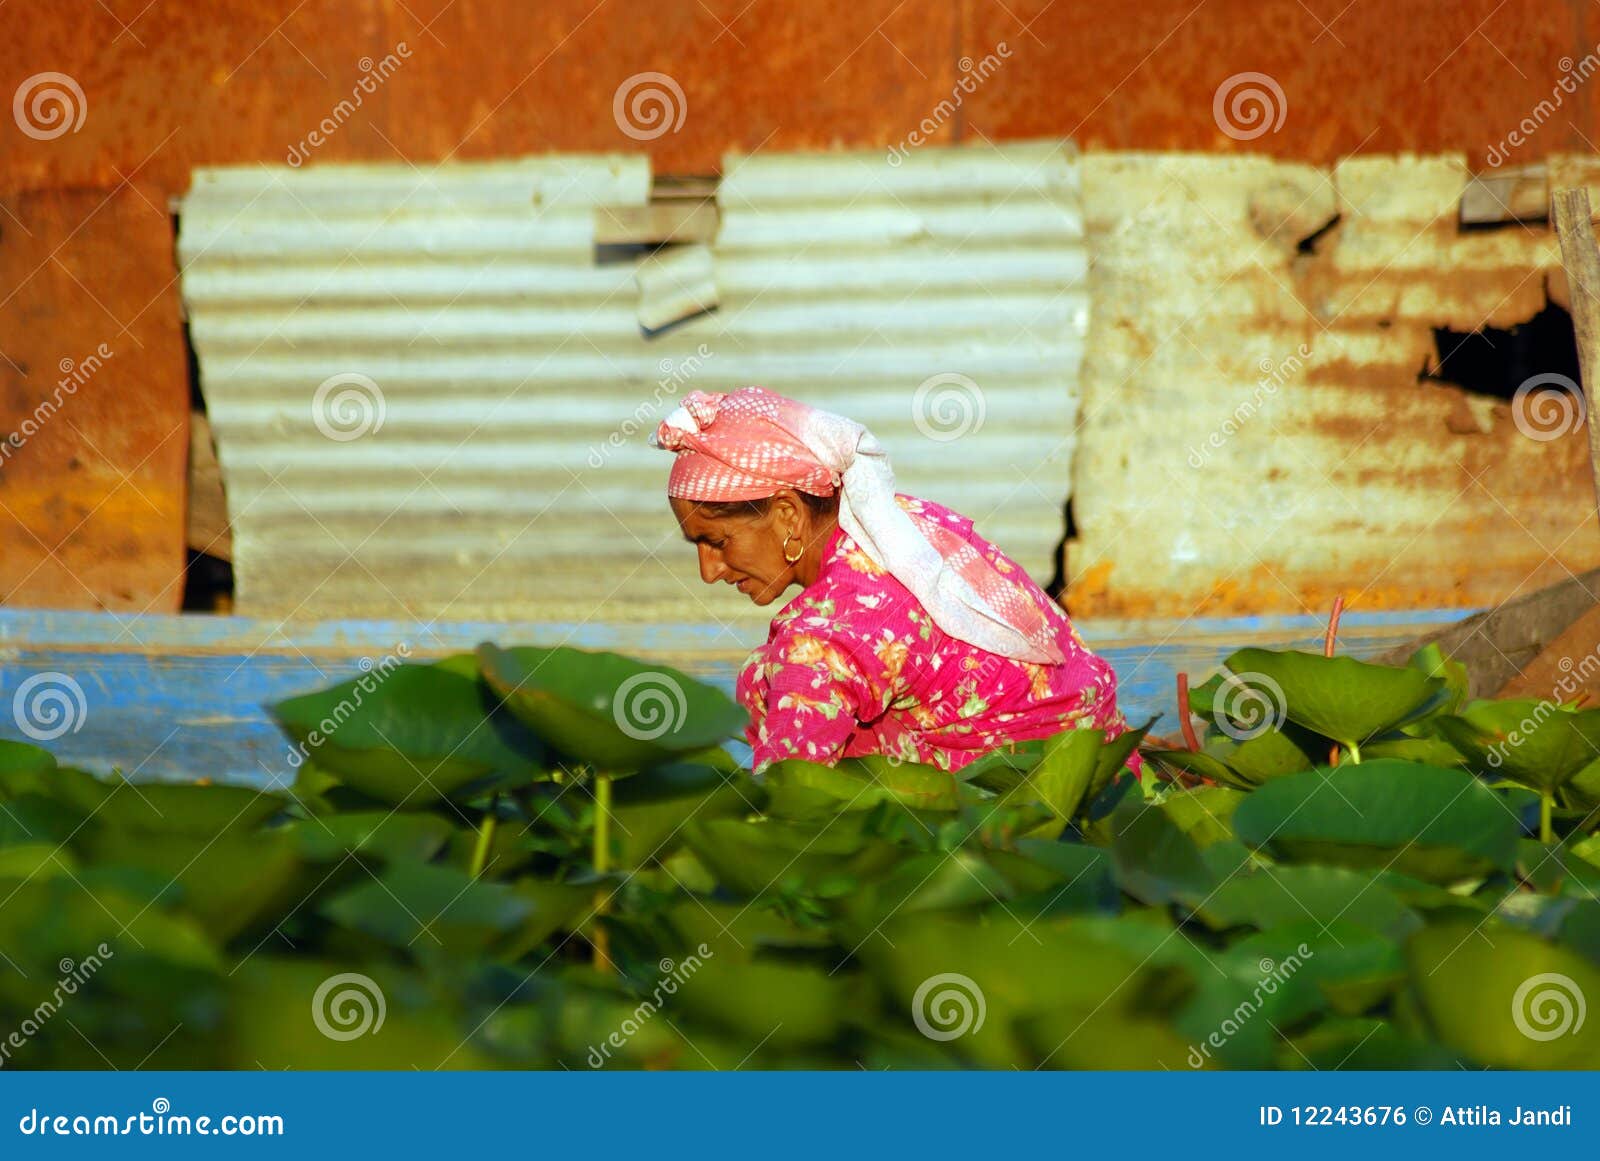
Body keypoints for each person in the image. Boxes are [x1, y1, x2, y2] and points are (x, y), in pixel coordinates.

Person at [653, 386, 1137, 775]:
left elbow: (787, 804)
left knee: (782, 678)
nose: (708, 570)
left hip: (1019, 809)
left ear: (786, 514)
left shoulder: (824, 634)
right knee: (771, 675)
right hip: (1113, 769)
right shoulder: (908, 527)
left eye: (716, 541)